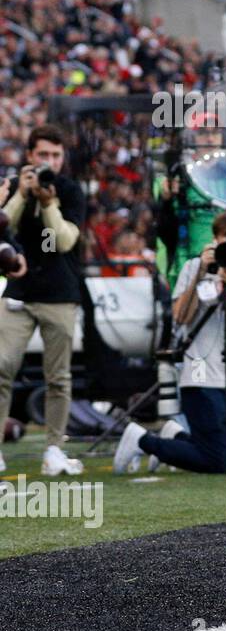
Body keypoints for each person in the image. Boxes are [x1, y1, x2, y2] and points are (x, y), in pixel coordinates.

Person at [113, 212, 226, 475]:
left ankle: (175, 436)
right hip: (199, 370)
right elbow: (181, 316)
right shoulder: (193, 269)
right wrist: (200, 276)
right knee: (216, 463)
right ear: (215, 240)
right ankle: (140, 440)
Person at [0, 128, 87, 476]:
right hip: (19, 290)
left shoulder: (70, 190)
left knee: (59, 377)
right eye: (43, 155)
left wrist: (49, 204)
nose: (49, 162)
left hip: (59, 292)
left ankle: (53, 449)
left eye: (55, 155)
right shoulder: (12, 185)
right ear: (30, 156)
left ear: (62, 157)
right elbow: (4, 224)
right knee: (1, 367)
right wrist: (22, 193)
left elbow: (63, 240)